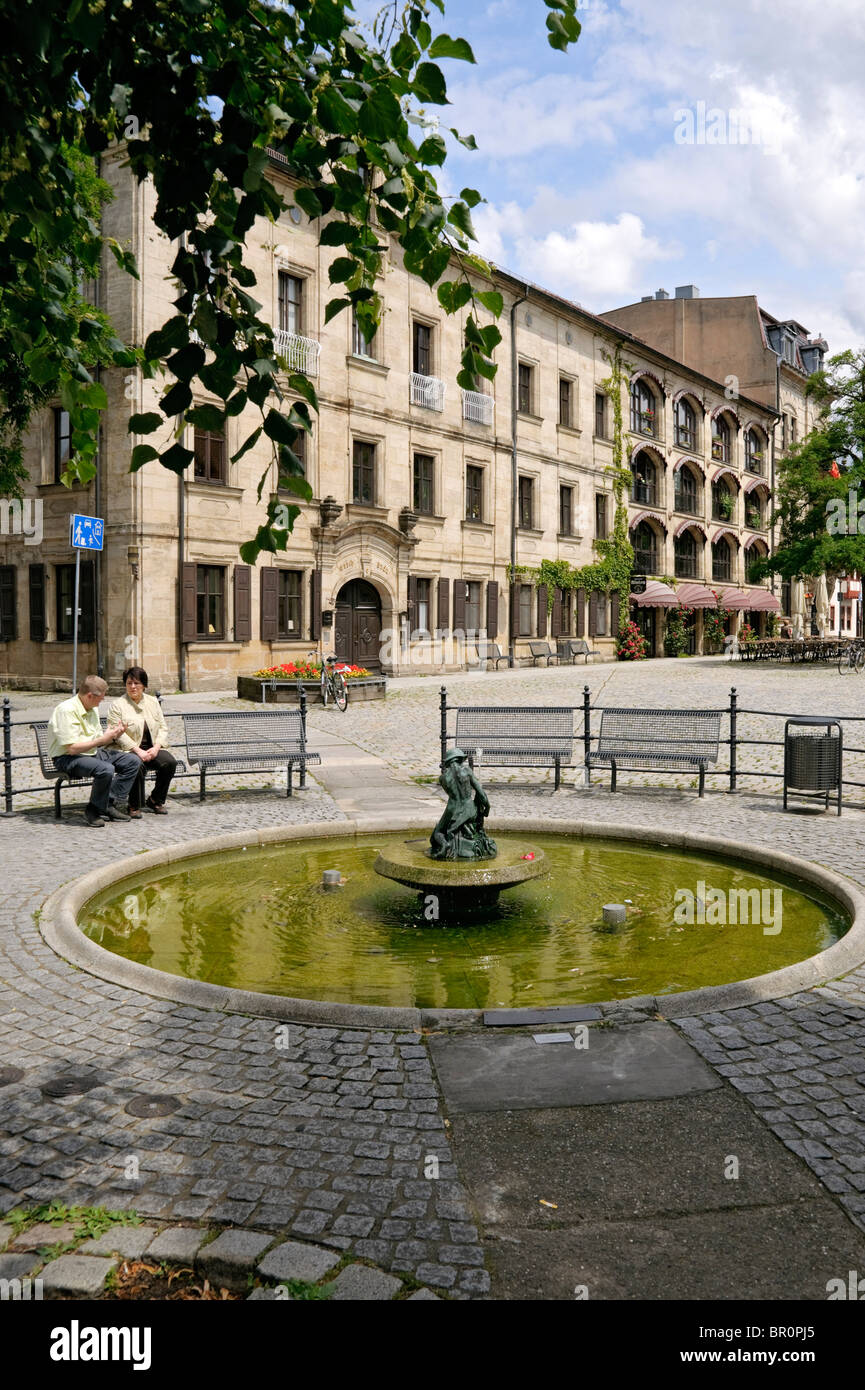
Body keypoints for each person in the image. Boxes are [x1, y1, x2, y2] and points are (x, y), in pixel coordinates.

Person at [47, 675, 141, 828]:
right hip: (66, 758)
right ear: (90, 696)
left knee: (133, 761)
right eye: (101, 698)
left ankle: (107, 804)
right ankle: (93, 811)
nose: (102, 701)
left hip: (90, 753)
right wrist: (102, 740)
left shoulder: (92, 707)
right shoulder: (66, 710)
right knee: (106, 769)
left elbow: (98, 739)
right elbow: (72, 748)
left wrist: (114, 735)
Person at [107, 667, 178, 816]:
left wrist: (157, 747)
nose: (132, 687)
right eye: (129, 683)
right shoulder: (117, 705)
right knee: (135, 763)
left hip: (151, 749)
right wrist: (138, 751)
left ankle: (155, 800)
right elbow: (118, 734)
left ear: (144, 685)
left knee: (169, 762)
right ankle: (133, 805)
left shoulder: (153, 702)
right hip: (128, 751)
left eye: (136, 683)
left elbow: (163, 727)